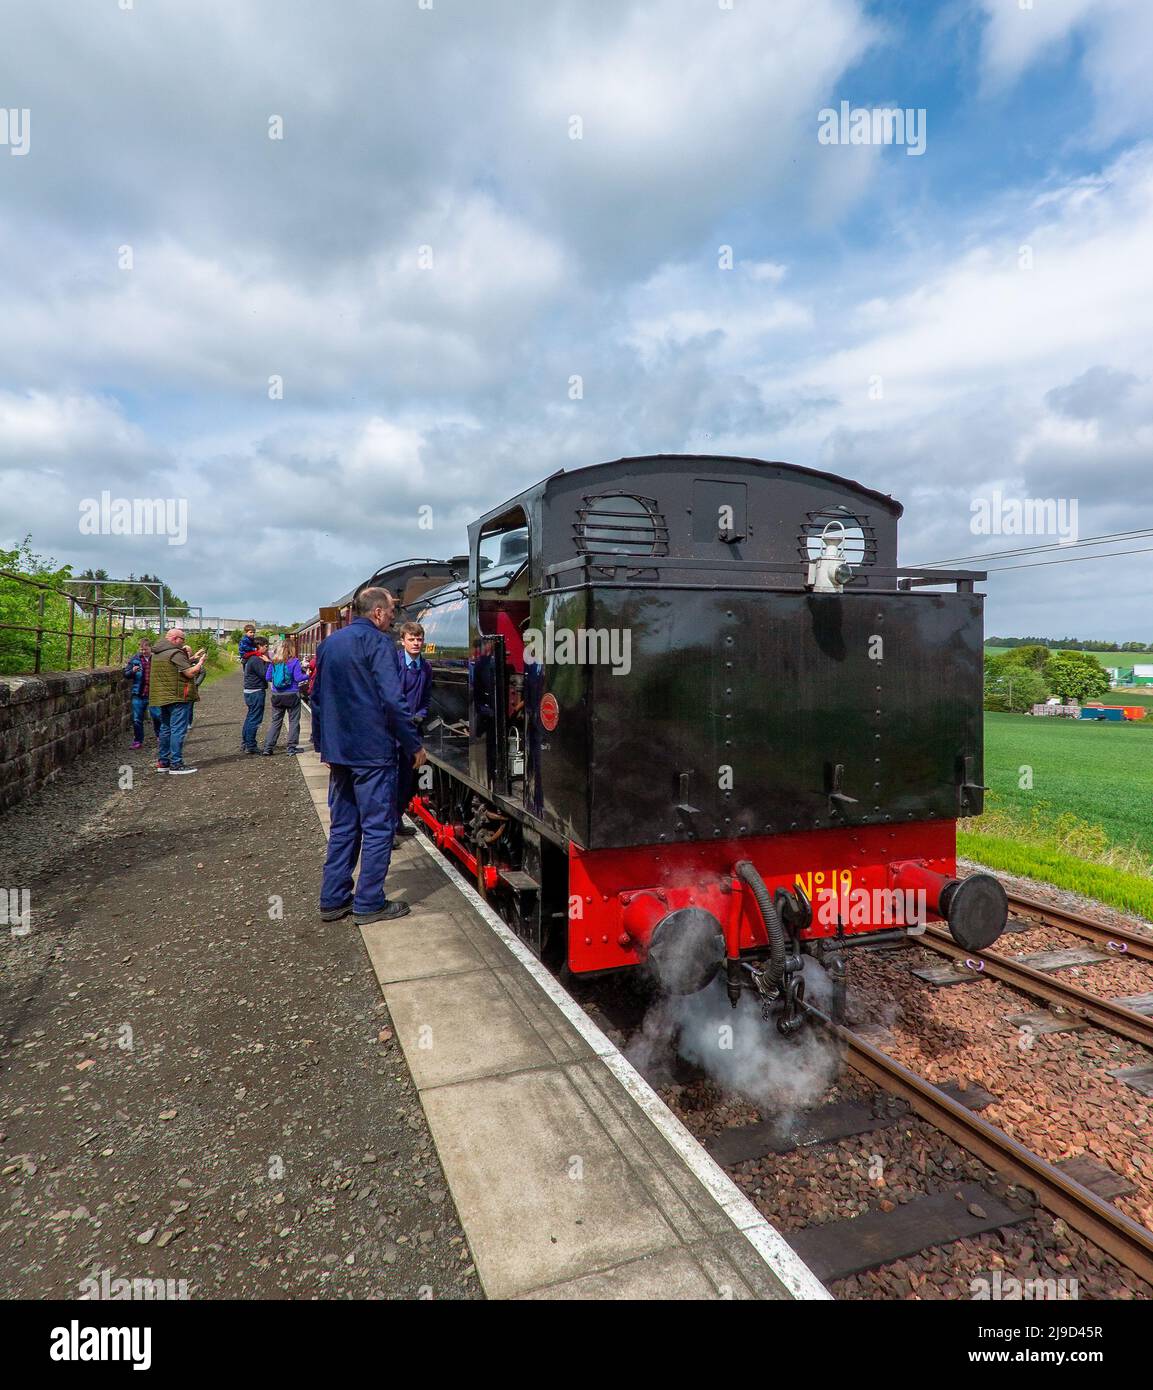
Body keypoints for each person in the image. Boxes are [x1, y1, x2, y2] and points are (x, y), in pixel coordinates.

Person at [310, 586, 425, 925]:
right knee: (377, 827)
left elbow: (317, 699)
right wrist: (413, 744)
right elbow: (393, 700)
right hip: (372, 753)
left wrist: (322, 745)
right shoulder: (379, 644)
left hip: (340, 751)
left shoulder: (330, 643)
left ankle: (333, 899)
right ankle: (369, 902)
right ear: (377, 613)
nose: (393, 616)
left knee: (344, 825)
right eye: (391, 610)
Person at [149, 627, 206, 774]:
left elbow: (173, 667)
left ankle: (163, 762)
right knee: (178, 730)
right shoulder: (175, 652)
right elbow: (189, 672)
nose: (183, 643)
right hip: (178, 696)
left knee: (165, 729)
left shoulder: (157, 653)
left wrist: (191, 659)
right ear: (175, 639)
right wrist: (200, 663)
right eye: (182, 639)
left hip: (162, 696)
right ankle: (176, 763)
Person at [394, 621, 432, 835]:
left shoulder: (426, 667)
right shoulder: (396, 663)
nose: (416, 643)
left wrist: (421, 715)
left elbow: (426, 698)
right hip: (394, 730)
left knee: (407, 781)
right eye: (412, 639)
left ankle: (397, 819)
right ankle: (388, 831)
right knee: (393, 778)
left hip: (413, 730)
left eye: (419, 639)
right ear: (403, 641)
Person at [262, 641, 306, 755]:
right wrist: (309, 675)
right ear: (291, 649)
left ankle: (268, 748)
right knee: (294, 721)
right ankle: (291, 748)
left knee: (276, 721)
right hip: (292, 695)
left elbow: (267, 677)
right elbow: (298, 678)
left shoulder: (274, 662)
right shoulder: (295, 661)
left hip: (277, 696)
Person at [123, 638, 160, 749]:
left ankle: (160, 736)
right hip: (138, 693)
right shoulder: (135, 659)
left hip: (153, 693)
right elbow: (126, 674)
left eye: (145, 649)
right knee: (137, 719)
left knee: (157, 716)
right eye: (141, 649)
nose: (143, 651)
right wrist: (132, 671)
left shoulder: (157, 659)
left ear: (150, 648)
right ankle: (138, 740)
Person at [241, 636, 270, 754]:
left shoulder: (250, 658)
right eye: (266, 646)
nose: (267, 649)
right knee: (255, 719)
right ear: (260, 646)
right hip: (256, 691)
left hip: (249, 691)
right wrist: (268, 663)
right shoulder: (256, 660)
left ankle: (245, 742)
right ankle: (251, 745)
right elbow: (264, 675)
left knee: (250, 718)